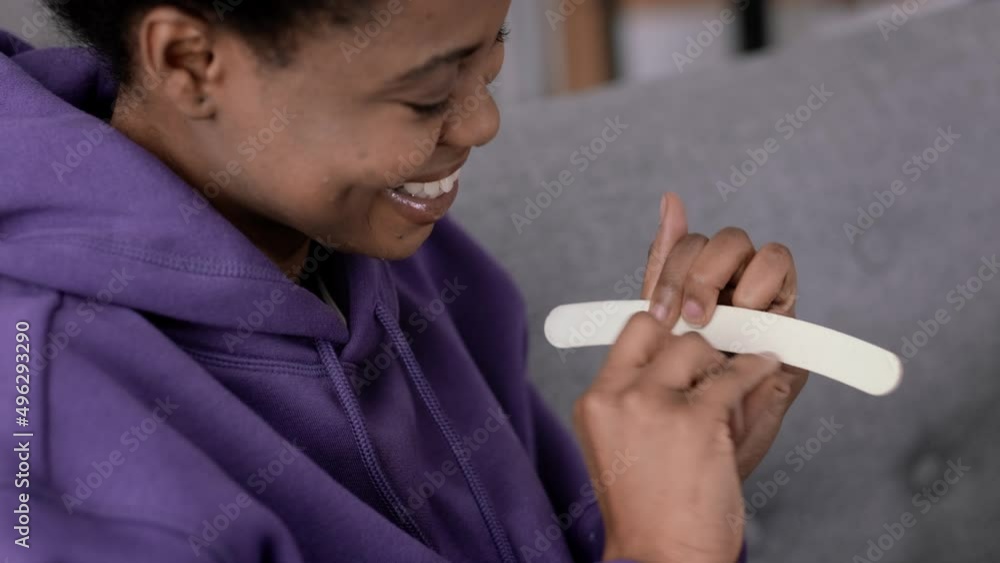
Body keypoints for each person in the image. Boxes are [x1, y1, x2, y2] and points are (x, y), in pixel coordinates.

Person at [0, 1, 807, 561]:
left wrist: (676, 485)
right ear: (190, 60)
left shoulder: (413, 258)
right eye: (427, 94)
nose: (482, 122)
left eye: (490, 57)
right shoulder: (46, 421)